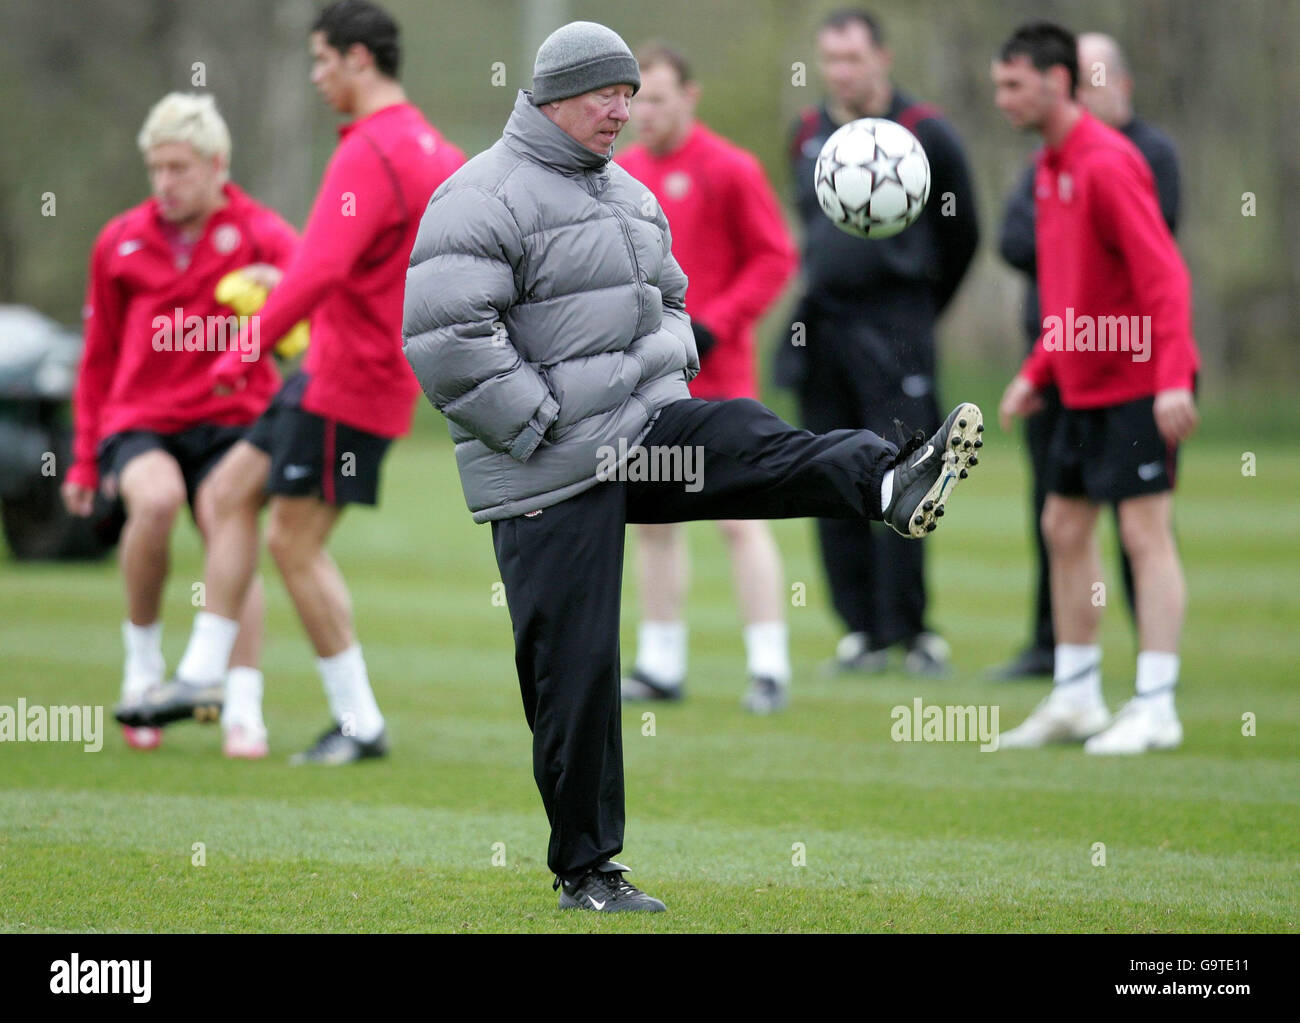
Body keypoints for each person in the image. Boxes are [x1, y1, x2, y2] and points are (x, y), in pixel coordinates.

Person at [404, 20, 983, 912]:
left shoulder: (629, 194)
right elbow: (445, 339)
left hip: (641, 432)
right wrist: (541, 422)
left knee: (748, 433)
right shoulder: (479, 195)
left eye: (631, 95)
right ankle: (587, 870)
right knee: (575, 671)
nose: (623, 111)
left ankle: (885, 479)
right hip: (546, 466)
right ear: (557, 93)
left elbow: (673, 300)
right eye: (608, 95)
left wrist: (661, 380)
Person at [117, 0, 465, 764]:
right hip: (346, 370)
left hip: (349, 378)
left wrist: (241, 349)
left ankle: (359, 722)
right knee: (225, 494)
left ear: (358, 59)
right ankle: (201, 674)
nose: (315, 76)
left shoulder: (370, 147)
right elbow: (369, 265)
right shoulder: (436, 148)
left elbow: (323, 267)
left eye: (321, 60)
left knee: (292, 541)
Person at [64, 92, 297, 758]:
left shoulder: (259, 231)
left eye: (179, 168)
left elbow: (317, 288)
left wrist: (277, 284)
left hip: (235, 418)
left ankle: (241, 706)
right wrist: (83, 458)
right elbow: (98, 355)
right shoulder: (119, 240)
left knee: (231, 529)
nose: (165, 182)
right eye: (156, 169)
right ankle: (143, 673)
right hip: (141, 419)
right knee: (158, 500)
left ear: (217, 164)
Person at [993, 22, 1199, 754]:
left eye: (1014, 84)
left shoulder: (1107, 163)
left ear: (1057, 82)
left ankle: (1157, 705)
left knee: (1144, 533)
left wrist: (1173, 379)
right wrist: (1037, 371)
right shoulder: (1048, 167)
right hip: (1079, 383)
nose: (1002, 98)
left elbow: (1164, 278)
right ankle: (1077, 695)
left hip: (1138, 381)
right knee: (1062, 526)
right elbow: (1071, 293)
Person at [782, 8, 979, 676]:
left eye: (853, 58)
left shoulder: (926, 132)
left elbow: (963, 234)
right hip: (822, 328)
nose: (841, 72)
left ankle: (911, 630)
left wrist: (920, 312)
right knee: (828, 472)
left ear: (882, 58)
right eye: (831, 59)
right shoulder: (806, 132)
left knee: (909, 470)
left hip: (897, 330)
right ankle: (860, 630)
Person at [616, 43, 798, 713]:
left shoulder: (730, 168)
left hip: (719, 377)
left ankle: (769, 667)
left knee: (738, 518)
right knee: (652, 519)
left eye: (659, 99)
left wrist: (716, 322)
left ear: (690, 97)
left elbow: (774, 257)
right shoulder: (623, 173)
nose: (644, 113)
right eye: (636, 100)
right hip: (647, 380)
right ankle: (660, 664)